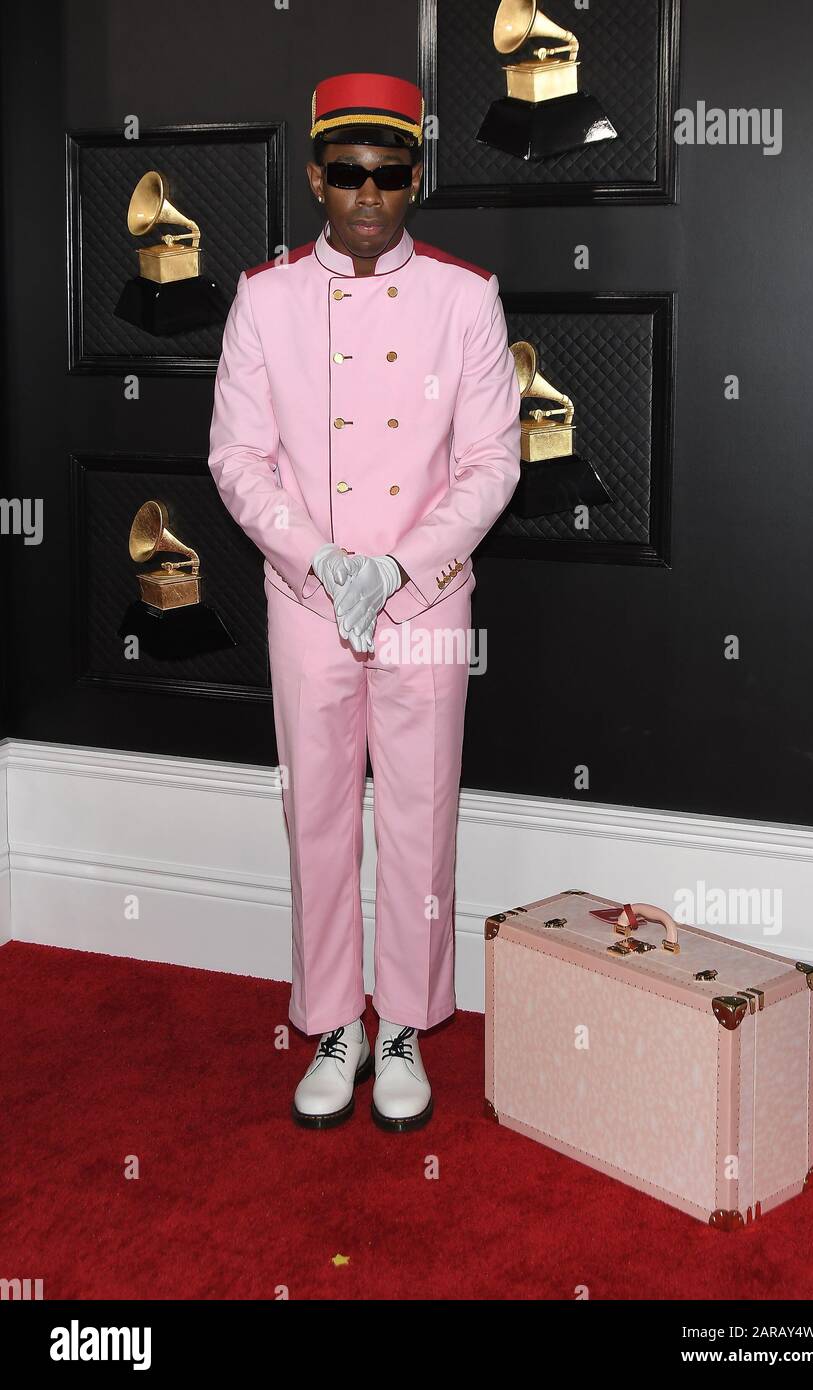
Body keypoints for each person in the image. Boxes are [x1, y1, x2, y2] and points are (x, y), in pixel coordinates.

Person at [207, 71, 521, 1132]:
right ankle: (334, 1021)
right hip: (306, 604)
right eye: (347, 172)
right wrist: (322, 562)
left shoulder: (465, 297)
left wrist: (394, 570)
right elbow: (238, 457)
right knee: (318, 817)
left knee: (424, 815)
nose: (369, 194)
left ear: (414, 176)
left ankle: (405, 1029)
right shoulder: (264, 298)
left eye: (389, 173)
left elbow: (491, 463)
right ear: (315, 176)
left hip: (425, 605)